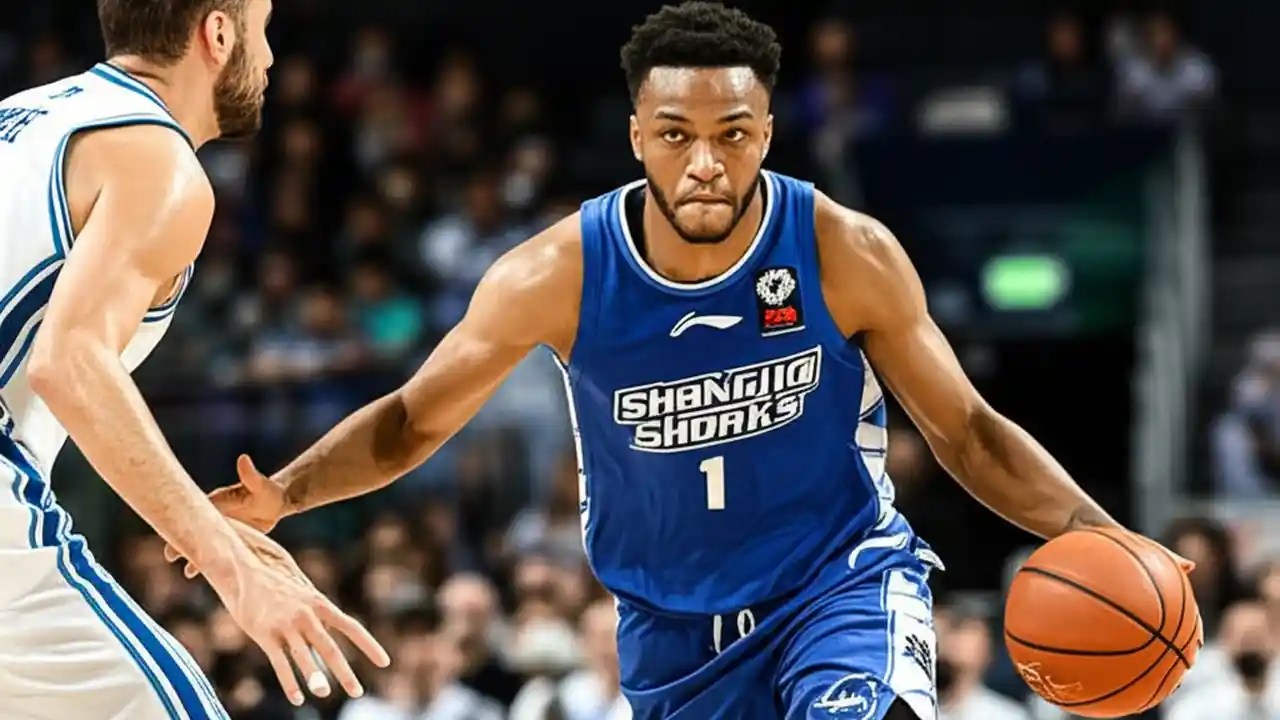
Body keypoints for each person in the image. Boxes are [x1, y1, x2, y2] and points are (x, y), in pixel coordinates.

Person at [187, 3, 1193, 718]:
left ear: (764, 135)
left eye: (731, 134)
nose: (704, 162)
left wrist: (1110, 540)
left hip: (835, 585)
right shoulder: (556, 273)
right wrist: (286, 491)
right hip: (667, 629)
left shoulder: (842, 250)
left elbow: (966, 431)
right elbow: (411, 420)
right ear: (636, 137)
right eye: (675, 135)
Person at [0, 1, 388, 717]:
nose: (269, 58)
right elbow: (69, 361)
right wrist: (228, 560)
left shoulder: (21, 115)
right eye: (262, 28)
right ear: (216, 34)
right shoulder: (157, 159)